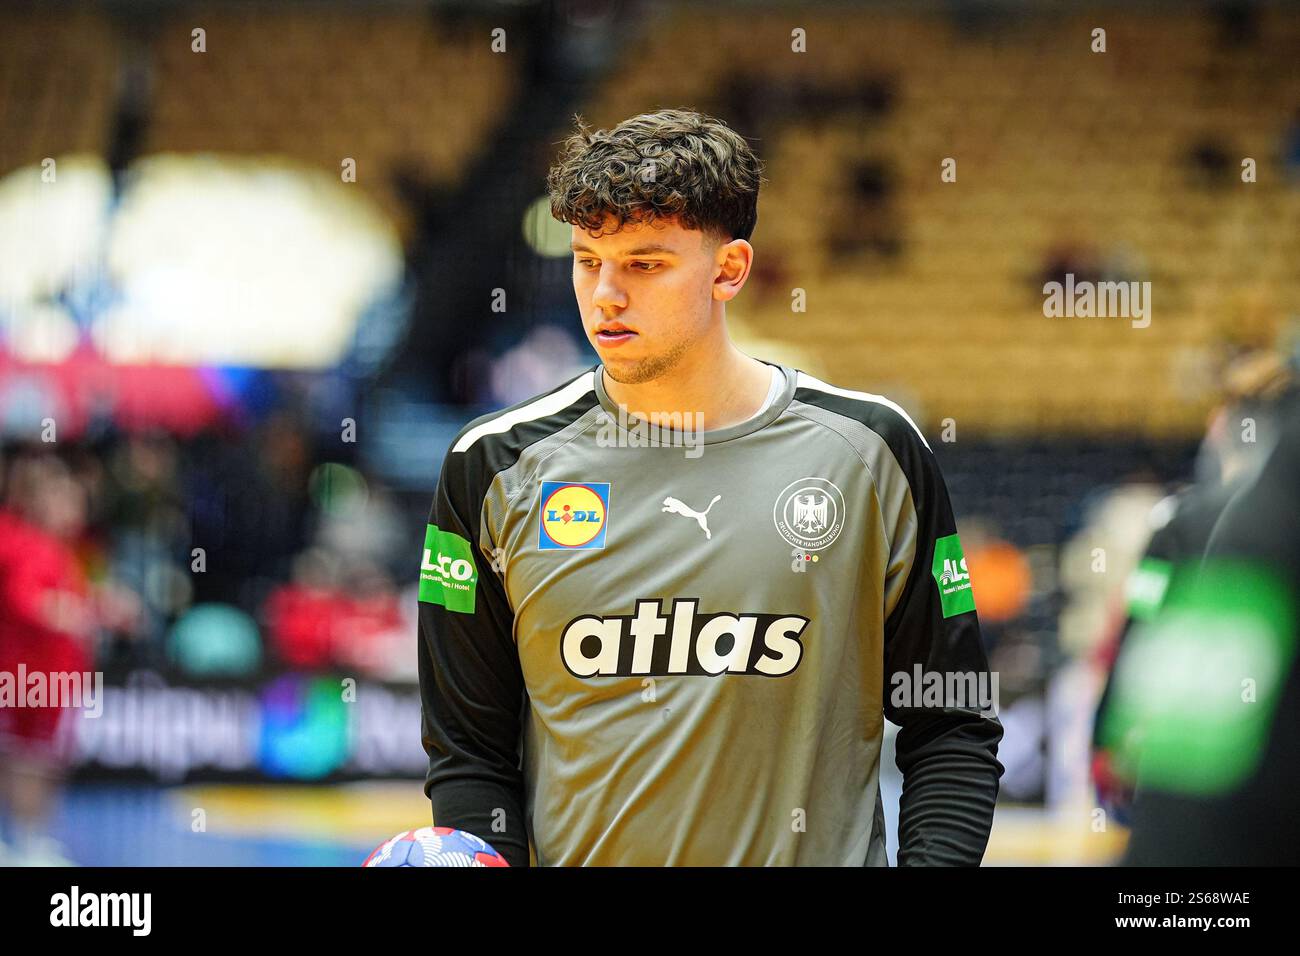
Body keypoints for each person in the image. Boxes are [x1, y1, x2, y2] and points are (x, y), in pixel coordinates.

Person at [417, 108, 1003, 866]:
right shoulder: (491, 465)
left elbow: (951, 724)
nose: (604, 296)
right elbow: (470, 758)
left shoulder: (872, 452)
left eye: (645, 264)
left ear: (729, 270)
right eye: (587, 259)